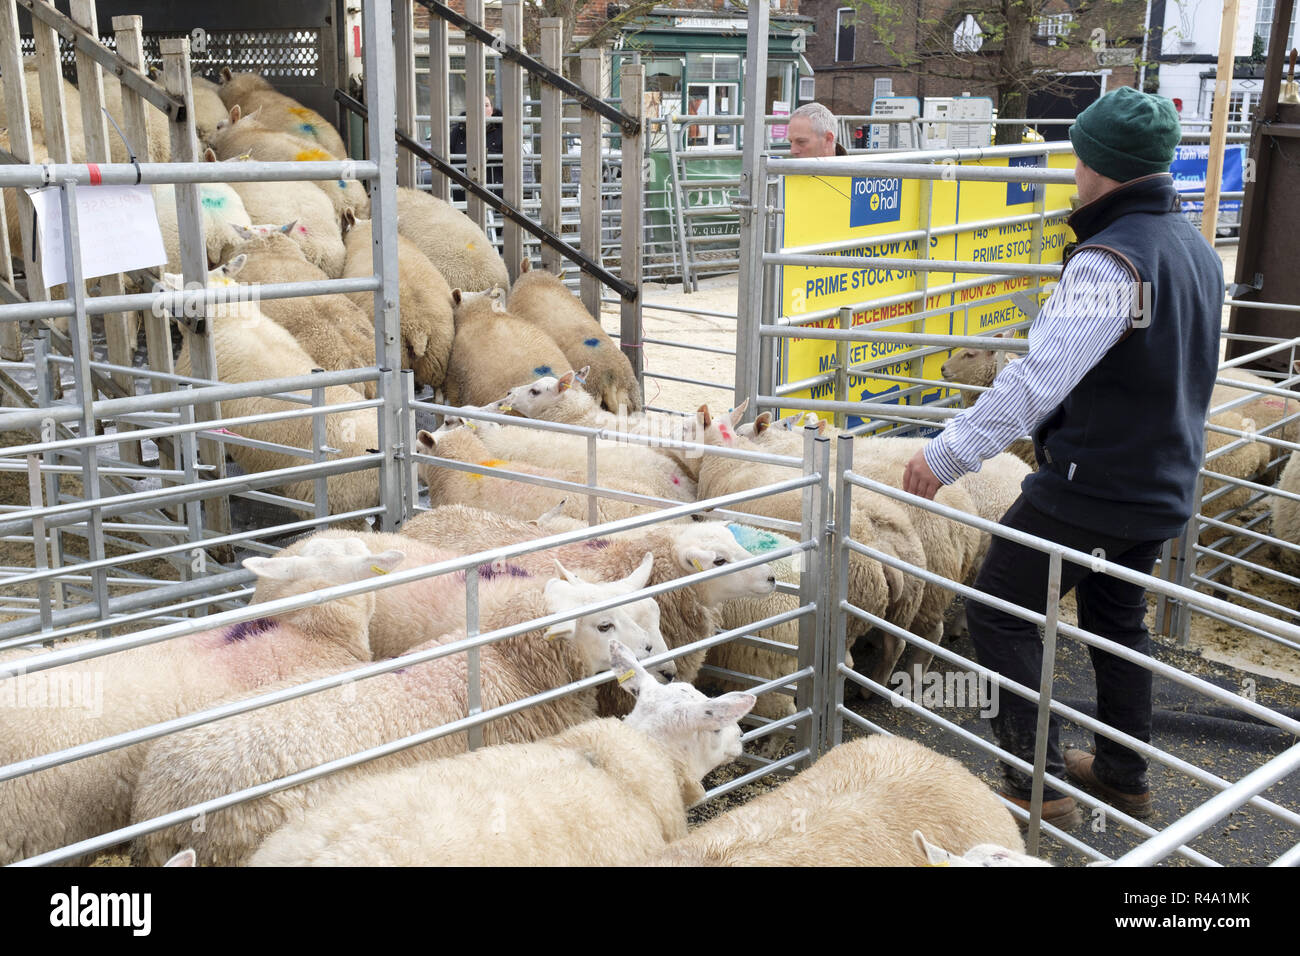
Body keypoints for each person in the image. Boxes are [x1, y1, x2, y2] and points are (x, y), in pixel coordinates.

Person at [901, 87, 1225, 827]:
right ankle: (1121, 773)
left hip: (1092, 482)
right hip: (1163, 481)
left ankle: (1034, 783)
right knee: (1119, 622)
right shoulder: (1194, 249)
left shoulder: (1109, 263)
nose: (1072, 170)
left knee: (1000, 611)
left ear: (1098, 166)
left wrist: (949, 454)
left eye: (1078, 155)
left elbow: (1038, 381)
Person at [449, 95, 503, 204]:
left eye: (486, 105)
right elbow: (448, 155)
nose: (482, 109)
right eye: (478, 105)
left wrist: (480, 156)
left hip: (495, 193)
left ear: (492, 110)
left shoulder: (502, 130)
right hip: (462, 192)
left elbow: (509, 158)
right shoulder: (457, 131)